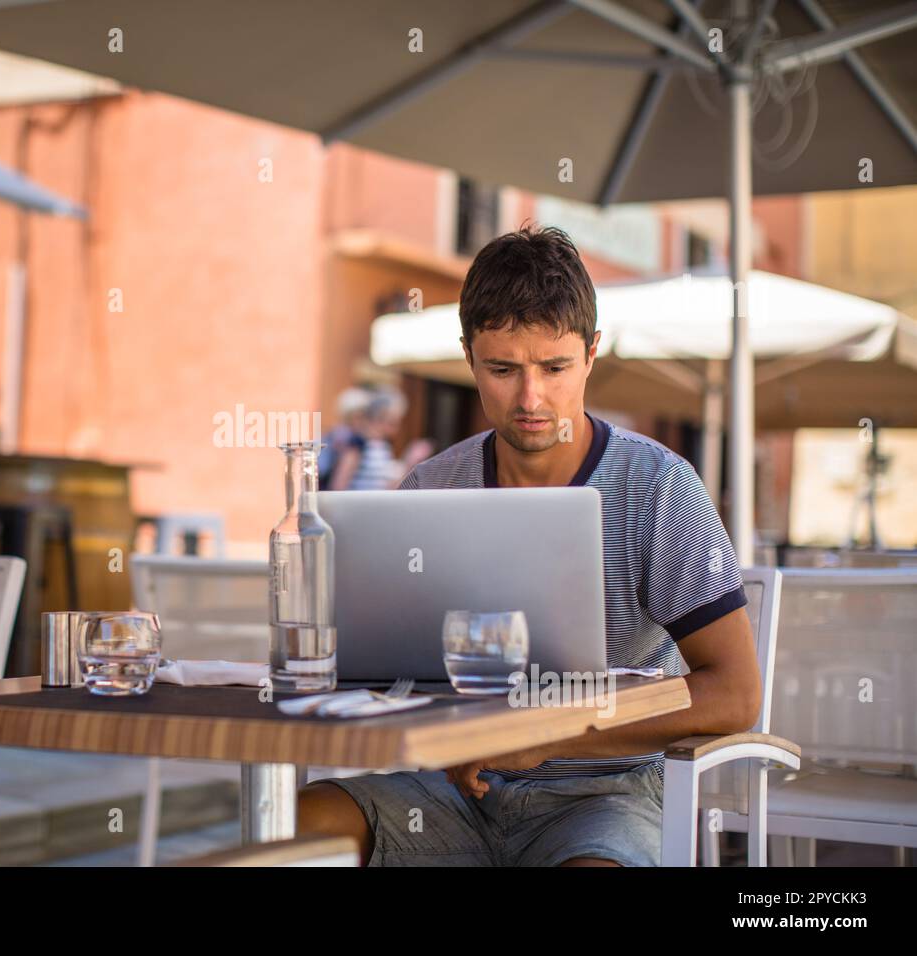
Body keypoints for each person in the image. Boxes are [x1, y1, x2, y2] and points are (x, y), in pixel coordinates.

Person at [297, 224, 762, 867]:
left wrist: (546, 735)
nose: (531, 399)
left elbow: (736, 694)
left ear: (593, 352)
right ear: (469, 358)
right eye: (503, 369)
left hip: (604, 794)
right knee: (304, 826)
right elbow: (383, 676)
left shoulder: (656, 485)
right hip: (444, 789)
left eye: (555, 367)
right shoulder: (429, 488)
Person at [329, 387, 433, 491]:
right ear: (380, 417)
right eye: (393, 422)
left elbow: (386, 487)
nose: (397, 429)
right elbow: (339, 485)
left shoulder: (383, 446)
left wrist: (411, 463)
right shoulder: (358, 443)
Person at [317, 387, 373, 491]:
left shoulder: (332, 433)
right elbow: (340, 482)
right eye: (361, 416)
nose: (364, 420)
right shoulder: (353, 440)